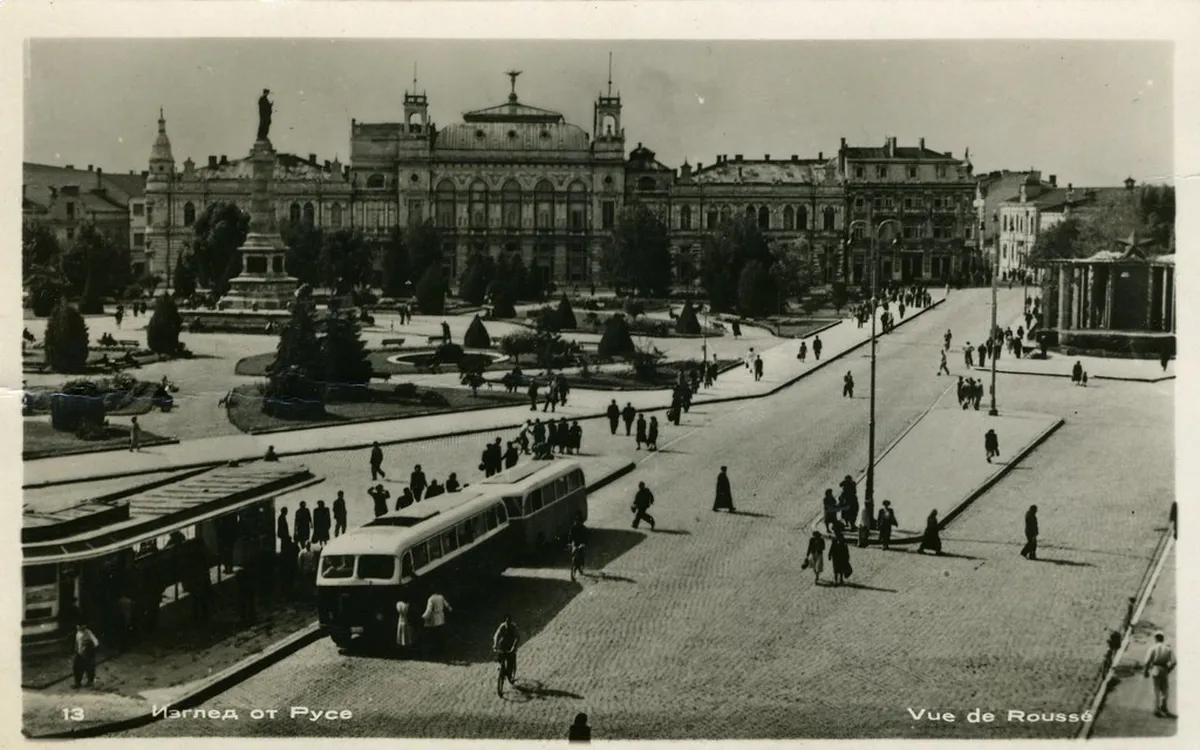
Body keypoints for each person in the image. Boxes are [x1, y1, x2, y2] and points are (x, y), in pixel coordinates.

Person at [1143, 631, 1176, 717]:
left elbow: (1147, 661)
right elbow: (1174, 662)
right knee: (1165, 689)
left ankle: (1156, 709)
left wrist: (1146, 671)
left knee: (1156, 689)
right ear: (1163, 638)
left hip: (1155, 669)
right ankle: (1164, 706)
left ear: (1156, 638)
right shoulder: (1168, 648)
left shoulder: (1153, 648)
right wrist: (1169, 670)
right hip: (1164, 669)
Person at [493, 614, 521, 696]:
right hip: (503, 645)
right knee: (499, 658)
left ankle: (510, 675)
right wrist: (495, 644)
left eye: (509, 622)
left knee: (510, 662)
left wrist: (513, 647)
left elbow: (517, 637)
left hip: (511, 646)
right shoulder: (502, 626)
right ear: (505, 621)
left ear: (511, 622)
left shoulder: (514, 627)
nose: (507, 624)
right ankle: (500, 669)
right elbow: (496, 635)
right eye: (506, 622)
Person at [422, 592, 452, 656]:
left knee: (434, 634)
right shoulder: (441, 597)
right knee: (440, 633)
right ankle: (442, 649)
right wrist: (450, 609)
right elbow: (447, 605)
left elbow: (429, 610)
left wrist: (424, 617)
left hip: (435, 618)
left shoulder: (431, 599)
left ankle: (435, 650)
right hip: (441, 617)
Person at [72, 623, 100, 688]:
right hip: (79, 653)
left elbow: (96, 643)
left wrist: (88, 647)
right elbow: (77, 643)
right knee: (76, 667)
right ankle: (77, 683)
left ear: (84, 626)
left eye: (81, 626)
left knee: (89, 668)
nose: (79, 627)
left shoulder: (88, 632)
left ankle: (90, 682)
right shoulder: (77, 633)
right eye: (78, 626)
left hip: (87, 654)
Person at [568, 514, 588, 581]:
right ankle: (573, 572)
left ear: (581, 522)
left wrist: (583, 544)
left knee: (581, 555)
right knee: (573, 556)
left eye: (578, 521)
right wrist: (570, 543)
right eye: (576, 521)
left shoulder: (584, 529)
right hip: (575, 544)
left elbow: (586, 539)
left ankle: (581, 566)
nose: (576, 522)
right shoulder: (572, 528)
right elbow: (570, 537)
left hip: (581, 544)